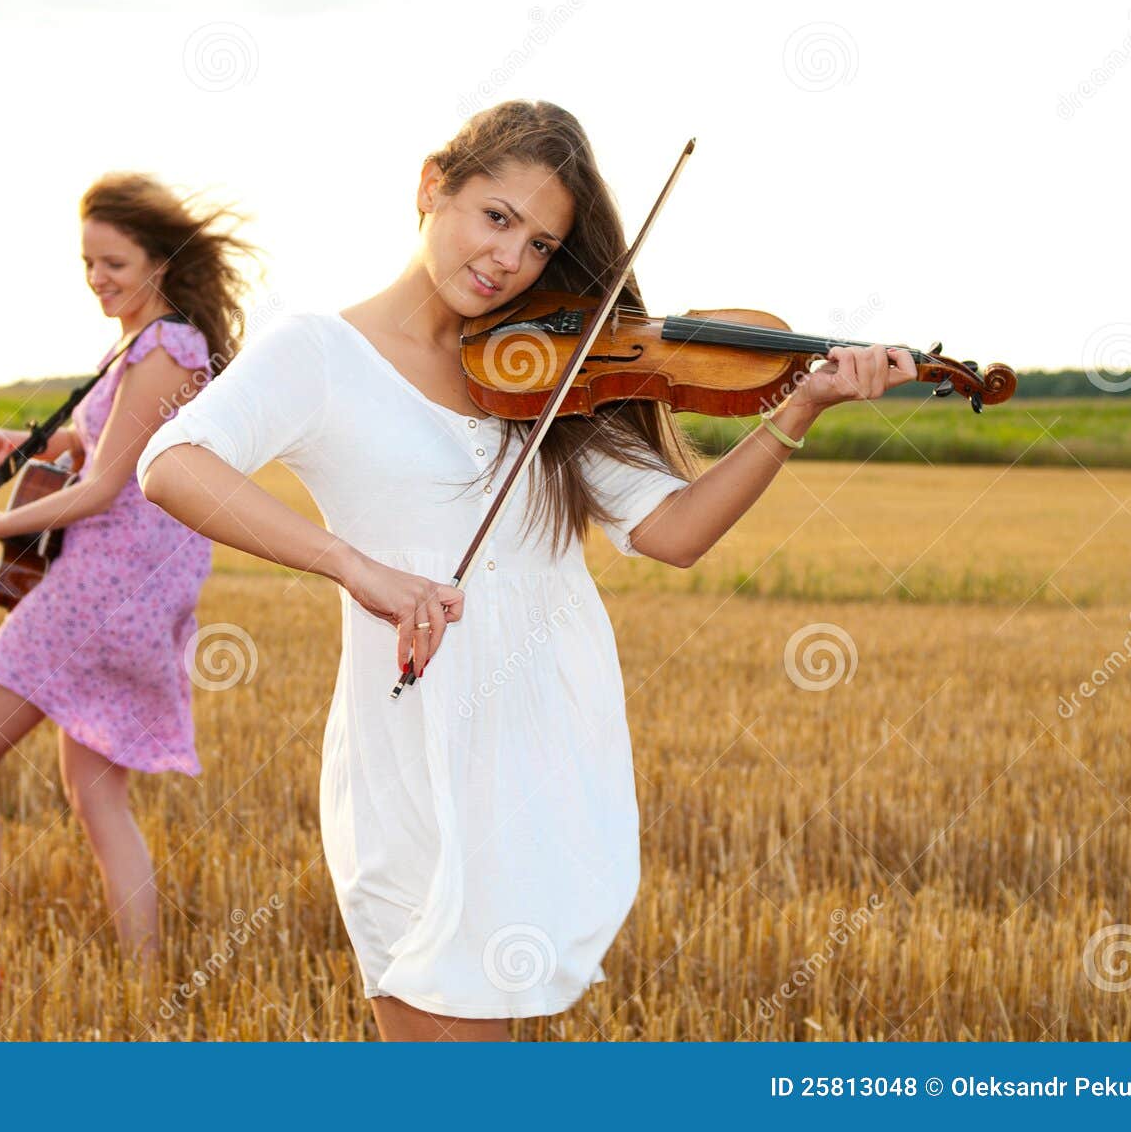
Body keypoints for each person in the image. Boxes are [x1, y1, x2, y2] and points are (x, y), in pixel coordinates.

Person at [135, 100, 916, 1040]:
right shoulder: (320, 351)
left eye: (542, 245)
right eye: (496, 217)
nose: (511, 260)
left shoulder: (552, 363)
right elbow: (172, 463)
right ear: (433, 187)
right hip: (415, 737)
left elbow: (672, 531)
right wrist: (353, 567)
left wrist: (795, 412)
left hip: (543, 733)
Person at [0, 172, 254, 967]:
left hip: (103, 590)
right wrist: (25, 442)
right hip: (136, 593)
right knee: (97, 793)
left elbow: (107, 487)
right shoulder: (149, 346)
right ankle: (144, 983)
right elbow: (104, 448)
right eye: (88, 264)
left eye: (114, 263)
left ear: (160, 260)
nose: (98, 280)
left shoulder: (164, 348)